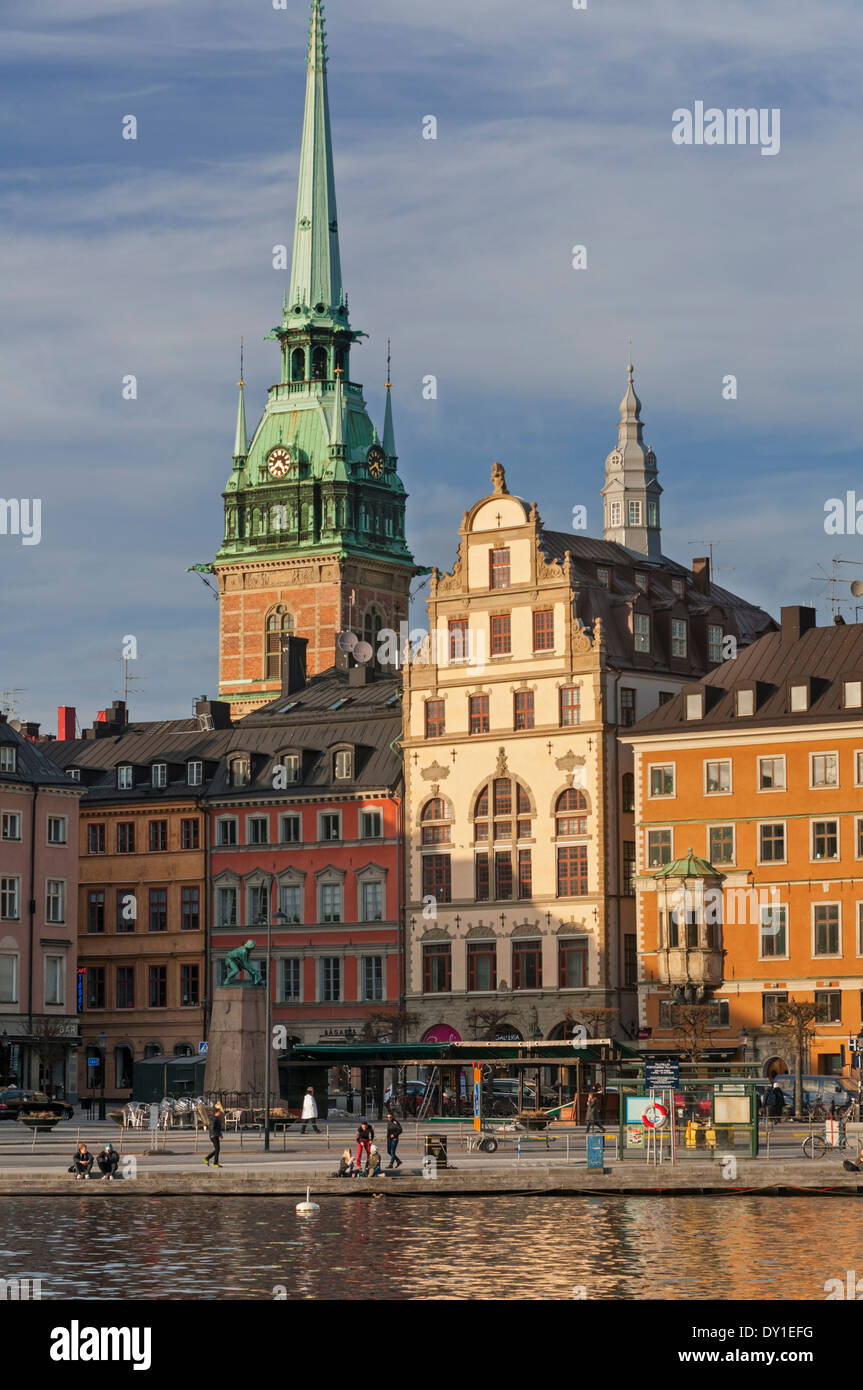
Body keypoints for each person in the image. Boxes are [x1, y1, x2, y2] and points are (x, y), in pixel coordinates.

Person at [204, 1102, 225, 1167]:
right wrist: (218, 1134)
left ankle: (207, 1159)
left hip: (215, 1135)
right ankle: (215, 1163)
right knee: (217, 1149)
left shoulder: (217, 1118)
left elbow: (218, 1128)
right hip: (213, 1136)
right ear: (216, 1112)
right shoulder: (213, 1119)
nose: (220, 1112)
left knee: (217, 1149)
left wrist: (220, 1134)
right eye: (219, 1111)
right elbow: (212, 1128)